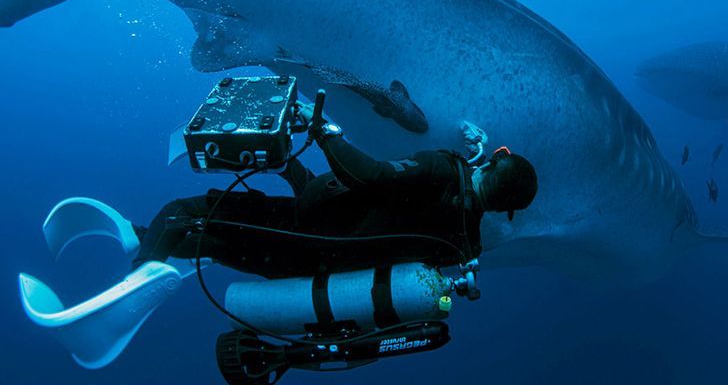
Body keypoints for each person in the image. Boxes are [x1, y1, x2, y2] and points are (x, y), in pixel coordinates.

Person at [133, 105, 539, 277]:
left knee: (180, 212)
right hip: (308, 264)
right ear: (505, 209)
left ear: (493, 162)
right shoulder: (465, 244)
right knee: (212, 244)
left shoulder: (441, 170)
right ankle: (139, 239)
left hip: (301, 228)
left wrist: (324, 130)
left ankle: (133, 283)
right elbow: (377, 222)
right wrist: (289, 167)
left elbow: (370, 178)